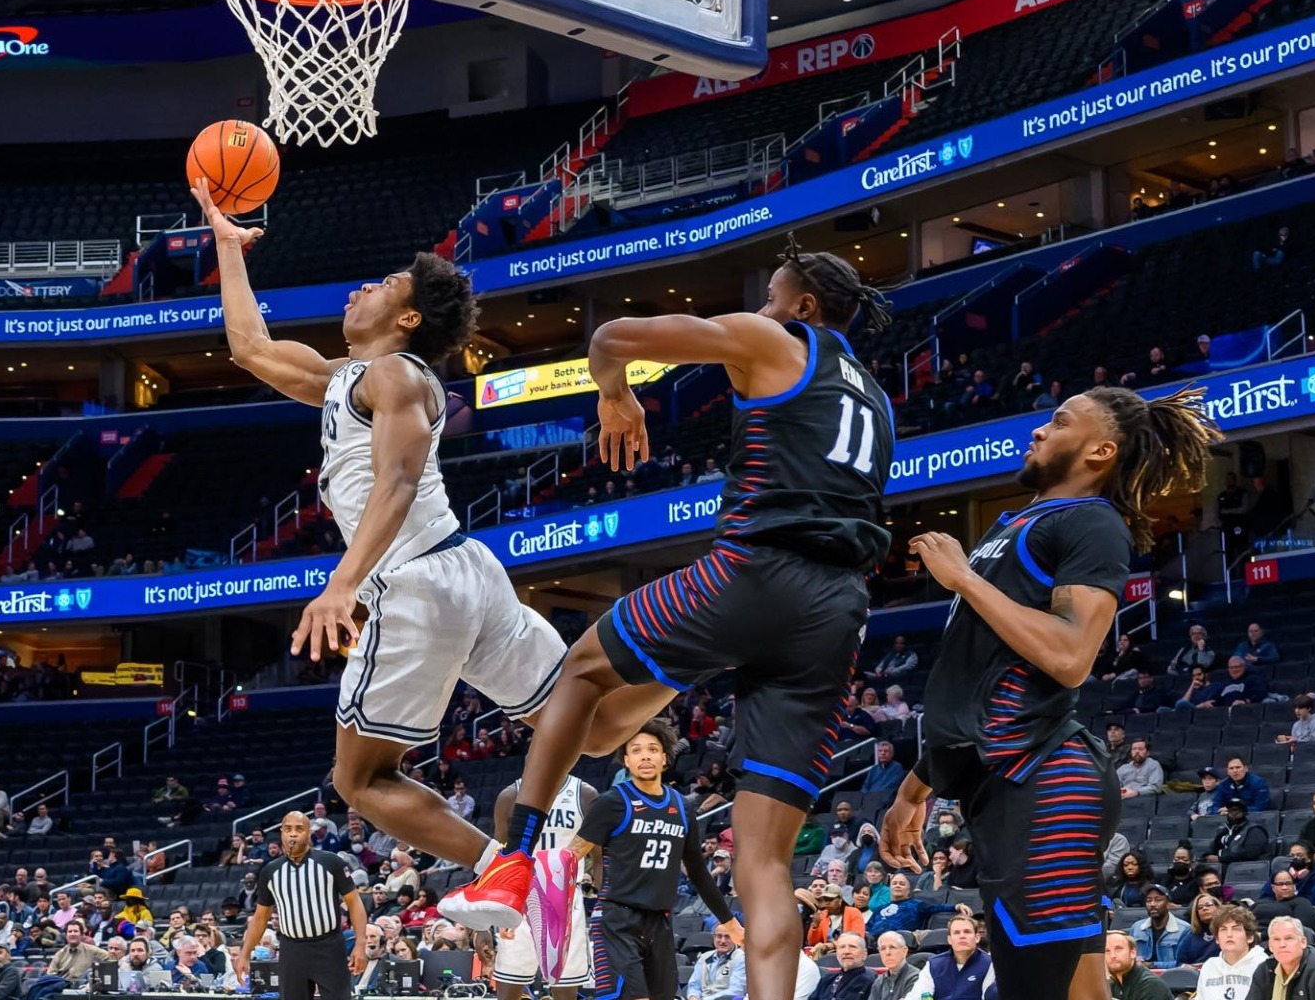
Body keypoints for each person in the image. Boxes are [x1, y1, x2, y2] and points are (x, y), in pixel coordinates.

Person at [447, 242, 895, 1000]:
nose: (759, 311)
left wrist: (615, 395)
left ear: (803, 309)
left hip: (755, 571)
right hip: (838, 609)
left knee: (581, 672)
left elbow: (611, 339)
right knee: (756, 859)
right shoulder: (878, 401)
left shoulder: (772, 341)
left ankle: (516, 860)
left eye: (771, 296)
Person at [193, 181, 584, 895]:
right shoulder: (353, 377)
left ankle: (501, 870)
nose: (362, 286)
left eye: (383, 284)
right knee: (582, 721)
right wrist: (227, 244)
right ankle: (663, 678)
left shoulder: (397, 374)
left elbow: (398, 482)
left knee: (360, 777)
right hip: (468, 571)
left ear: (405, 317)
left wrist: (341, 582)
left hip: (416, 583)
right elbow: (249, 347)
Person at [883, 386, 1219, 1000]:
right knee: (1081, 993)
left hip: (1044, 785)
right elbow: (975, 686)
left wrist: (961, 577)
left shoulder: (1090, 522)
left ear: (1100, 450)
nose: (1040, 429)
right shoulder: (1018, 525)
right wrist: (913, 791)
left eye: (1059, 421)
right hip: (1010, 780)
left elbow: (1069, 657)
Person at [551, 721, 737, 1000]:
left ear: (665, 757)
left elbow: (698, 873)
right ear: (626, 760)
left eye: (653, 749)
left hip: (660, 923)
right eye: (636, 750)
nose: (645, 755)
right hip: (617, 921)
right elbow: (569, 857)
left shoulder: (683, 807)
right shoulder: (611, 802)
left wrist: (732, 925)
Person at [233, 811, 367, 1000]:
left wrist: (360, 944)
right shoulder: (270, 872)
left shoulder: (330, 862)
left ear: (308, 832)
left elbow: (355, 904)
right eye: (288, 829)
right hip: (291, 949)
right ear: (281, 833)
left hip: (328, 947)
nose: (293, 834)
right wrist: (245, 953)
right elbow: (260, 917)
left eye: (299, 829)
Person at [487, 775, 598, 1000]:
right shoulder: (510, 795)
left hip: (566, 897)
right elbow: (496, 858)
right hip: (520, 895)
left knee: (566, 990)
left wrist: (603, 904)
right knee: (509, 987)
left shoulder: (585, 794)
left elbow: (599, 855)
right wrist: (482, 924)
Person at [911, 916, 997, 999]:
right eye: (956, 932)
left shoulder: (990, 964)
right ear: (949, 939)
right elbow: (917, 995)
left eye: (967, 932)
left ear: (977, 938)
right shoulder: (934, 964)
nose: (962, 936)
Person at [1196, 904, 1266, 999]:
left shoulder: (1263, 965)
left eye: (1236, 929)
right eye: (1223, 929)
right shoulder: (1209, 966)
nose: (1229, 934)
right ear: (1217, 939)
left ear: (1250, 937)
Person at [1254, 915, 1315, 997]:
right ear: (1270, 945)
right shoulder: (1264, 970)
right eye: (1276, 939)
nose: (1282, 945)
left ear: (1303, 942)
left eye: (1289, 938)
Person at [1129, 886, 1187, 969]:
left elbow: (1184, 964)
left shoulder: (1184, 930)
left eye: (1158, 900)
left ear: (1168, 904)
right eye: (1148, 900)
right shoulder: (1136, 928)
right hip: (1140, 976)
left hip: (1172, 977)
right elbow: (1129, 956)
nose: (1152, 904)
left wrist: (1152, 965)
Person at [1102, 930, 1168, 1000]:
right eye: (1107, 951)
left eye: (1118, 949)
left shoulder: (1151, 984)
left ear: (1132, 953)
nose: (1112, 955)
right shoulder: (1110, 985)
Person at [686, 923, 745, 1000]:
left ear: (734, 938)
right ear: (714, 938)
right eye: (719, 936)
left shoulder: (741, 958)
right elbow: (694, 985)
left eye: (727, 937)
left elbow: (736, 990)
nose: (723, 941)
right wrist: (693, 997)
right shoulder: (704, 957)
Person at [807, 933, 872, 1000]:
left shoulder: (871, 982)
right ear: (837, 953)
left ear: (864, 954)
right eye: (842, 947)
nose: (846, 952)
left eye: (853, 947)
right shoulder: (827, 980)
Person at [870, 931, 920, 1000]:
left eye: (892, 947)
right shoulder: (879, 981)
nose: (887, 952)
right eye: (883, 948)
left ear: (904, 951)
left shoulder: (916, 977)